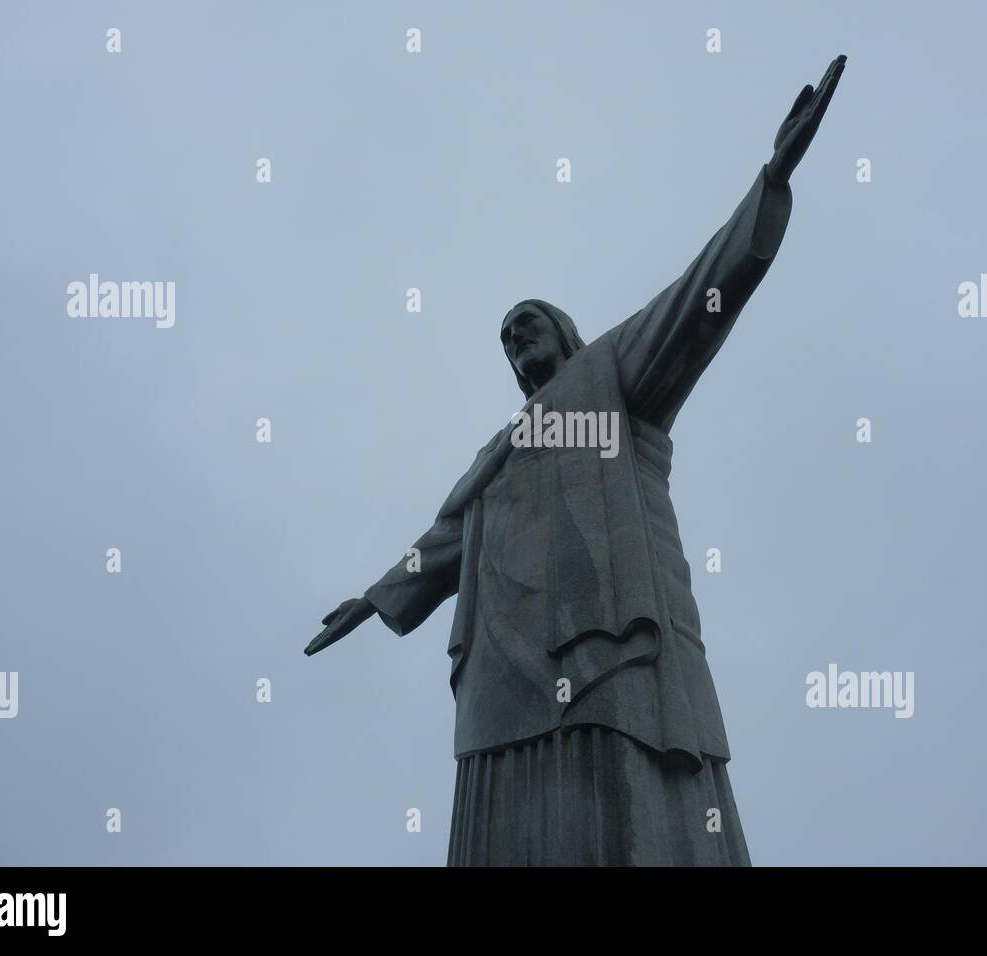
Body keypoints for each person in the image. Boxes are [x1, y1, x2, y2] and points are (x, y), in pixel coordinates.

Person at [308, 55, 847, 866]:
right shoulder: (498, 454)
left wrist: (768, 183)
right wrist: (374, 597)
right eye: (502, 337)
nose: (513, 337)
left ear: (563, 331)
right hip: (503, 663)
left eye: (525, 322)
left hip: (604, 641)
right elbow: (444, 537)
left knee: (626, 797)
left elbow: (695, 298)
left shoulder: (611, 376)